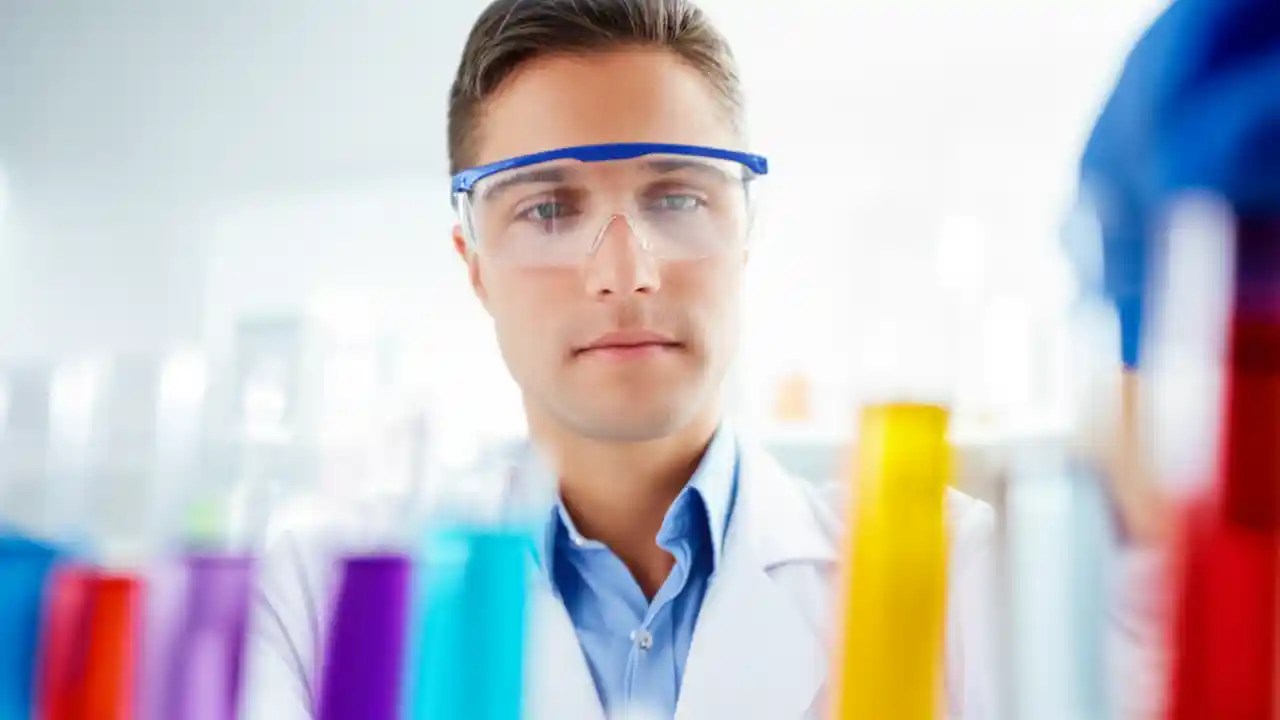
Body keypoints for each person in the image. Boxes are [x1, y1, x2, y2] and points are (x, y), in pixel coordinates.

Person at [241, 1, 996, 718]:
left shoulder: (964, 572)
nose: (624, 271)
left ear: (745, 232)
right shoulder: (318, 595)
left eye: (675, 199)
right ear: (474, 265)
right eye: (547, 209)